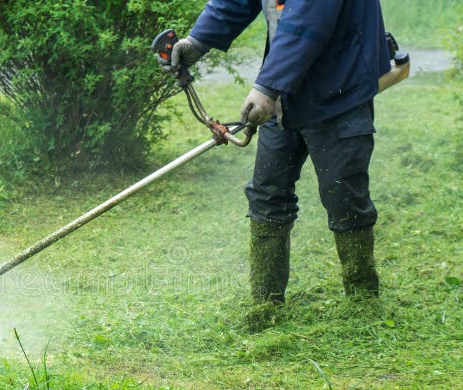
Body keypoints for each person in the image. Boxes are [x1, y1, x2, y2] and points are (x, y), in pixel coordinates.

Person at [165, 0, 399, 307]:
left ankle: (363, 301)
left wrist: (267, 86)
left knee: (344, 197)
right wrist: (198, 40)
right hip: (285, 93)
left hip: (338, 87)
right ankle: (265, 304)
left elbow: (308, 17)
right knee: (267, 194)